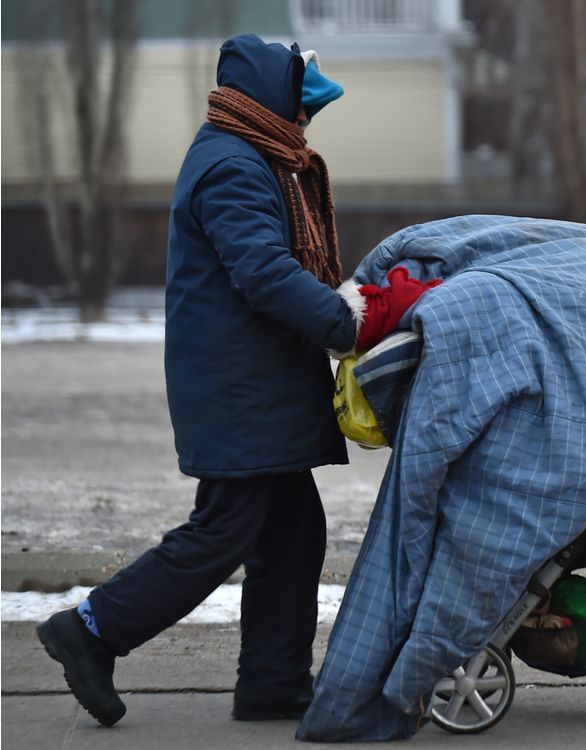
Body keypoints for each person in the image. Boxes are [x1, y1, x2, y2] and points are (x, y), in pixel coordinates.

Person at [35, 34, 437, 728]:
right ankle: (92, 630)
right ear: (273, 100)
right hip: (236, 389)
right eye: (302, 109)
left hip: (254, 385)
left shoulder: (249, 155)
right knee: (224, 530)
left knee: (293, 534)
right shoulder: (233, 165)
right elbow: (265, 274)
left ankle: (272, 686)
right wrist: (346, 322)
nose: (307, 124)